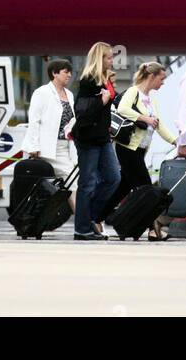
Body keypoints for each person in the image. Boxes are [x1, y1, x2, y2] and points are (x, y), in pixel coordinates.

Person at [100, 61, 178, 236]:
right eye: (162, 78)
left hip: (140, 150)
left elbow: (159, 125)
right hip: (127, 148)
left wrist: (176, 141)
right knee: (147, 189)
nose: (163, 82)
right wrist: (145, 118)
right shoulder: (133, 91)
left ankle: (96, 217)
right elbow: (123, 108)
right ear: (152, 76)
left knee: (123, 189)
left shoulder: (151, 99)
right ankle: (152, 229)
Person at [70, 42, 123, 241]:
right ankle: (82, 228)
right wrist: (102, 100)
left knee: (113, 178)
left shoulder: (106, 80)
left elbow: (112, 103)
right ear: (99, 58)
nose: (112, 60)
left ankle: (88, 218)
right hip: (88, 138)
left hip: (102, 137)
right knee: (88, 183)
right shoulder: (88, 80)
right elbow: (81, 111)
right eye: (108, 57)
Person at [24, 58, 78, 201]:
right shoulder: (42, 92)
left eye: (70, 72)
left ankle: (84, 220)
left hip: (67, 147)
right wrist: (34, 146)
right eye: (66, 72)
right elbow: (34, 120)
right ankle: (85, 221)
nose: (69, 75)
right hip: (49, 148)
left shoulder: (70, 94)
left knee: (74, 182)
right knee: (72, 182)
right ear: (54, 73)